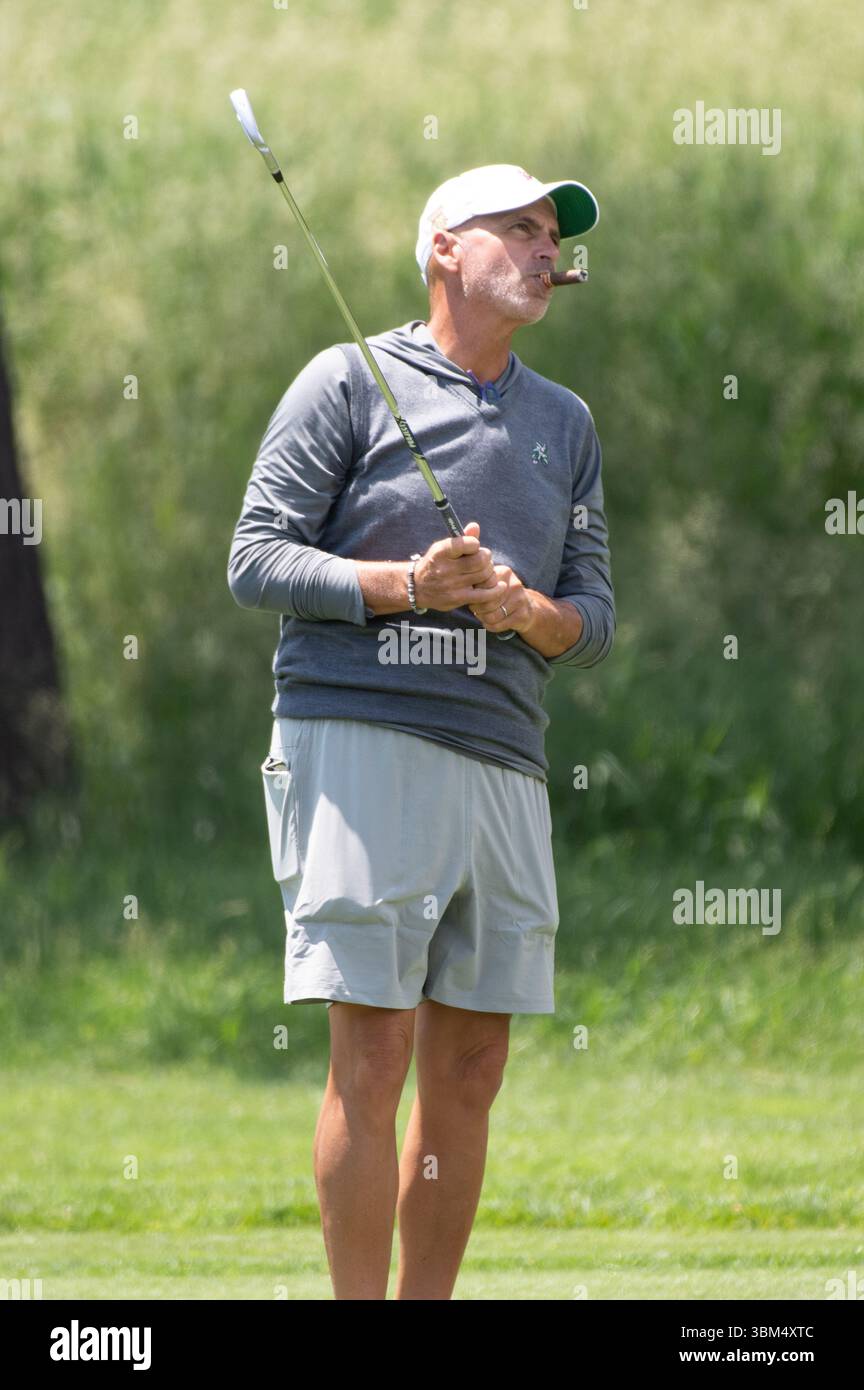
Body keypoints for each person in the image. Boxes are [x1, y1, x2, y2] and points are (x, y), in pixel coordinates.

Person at [227, 163, 615, 1300]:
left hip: (503, 761)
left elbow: (591, 618)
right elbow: (256, 560)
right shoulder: (343, 381)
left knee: (474, 1064)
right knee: (374, 1053)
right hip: (360, 739)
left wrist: (522, 610)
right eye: (521, 230)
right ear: (446, 246)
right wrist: (409, 582)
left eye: (555, 237)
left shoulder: (567, 422)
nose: (546, 250)